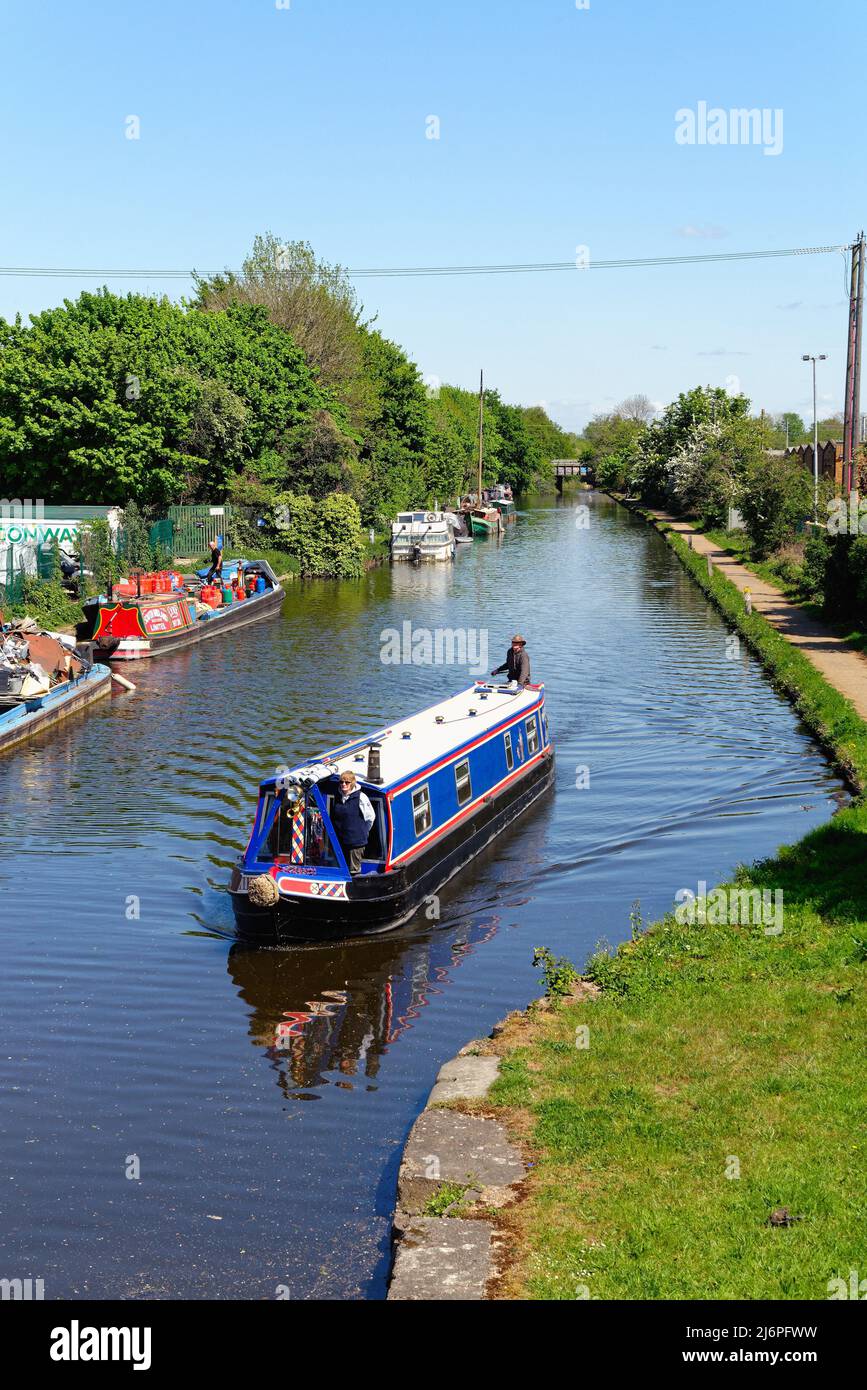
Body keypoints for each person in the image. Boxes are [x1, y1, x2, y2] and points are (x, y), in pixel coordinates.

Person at [330, 770, 376, 875]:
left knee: (353, 871)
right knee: (341, 868)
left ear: (353, 783)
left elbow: (370, 818)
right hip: (340, 840)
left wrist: (362, 832)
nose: (344, 784)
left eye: (347, 782)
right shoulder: (338, 796)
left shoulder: (361, 797)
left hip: (356, 842)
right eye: (341, 782)